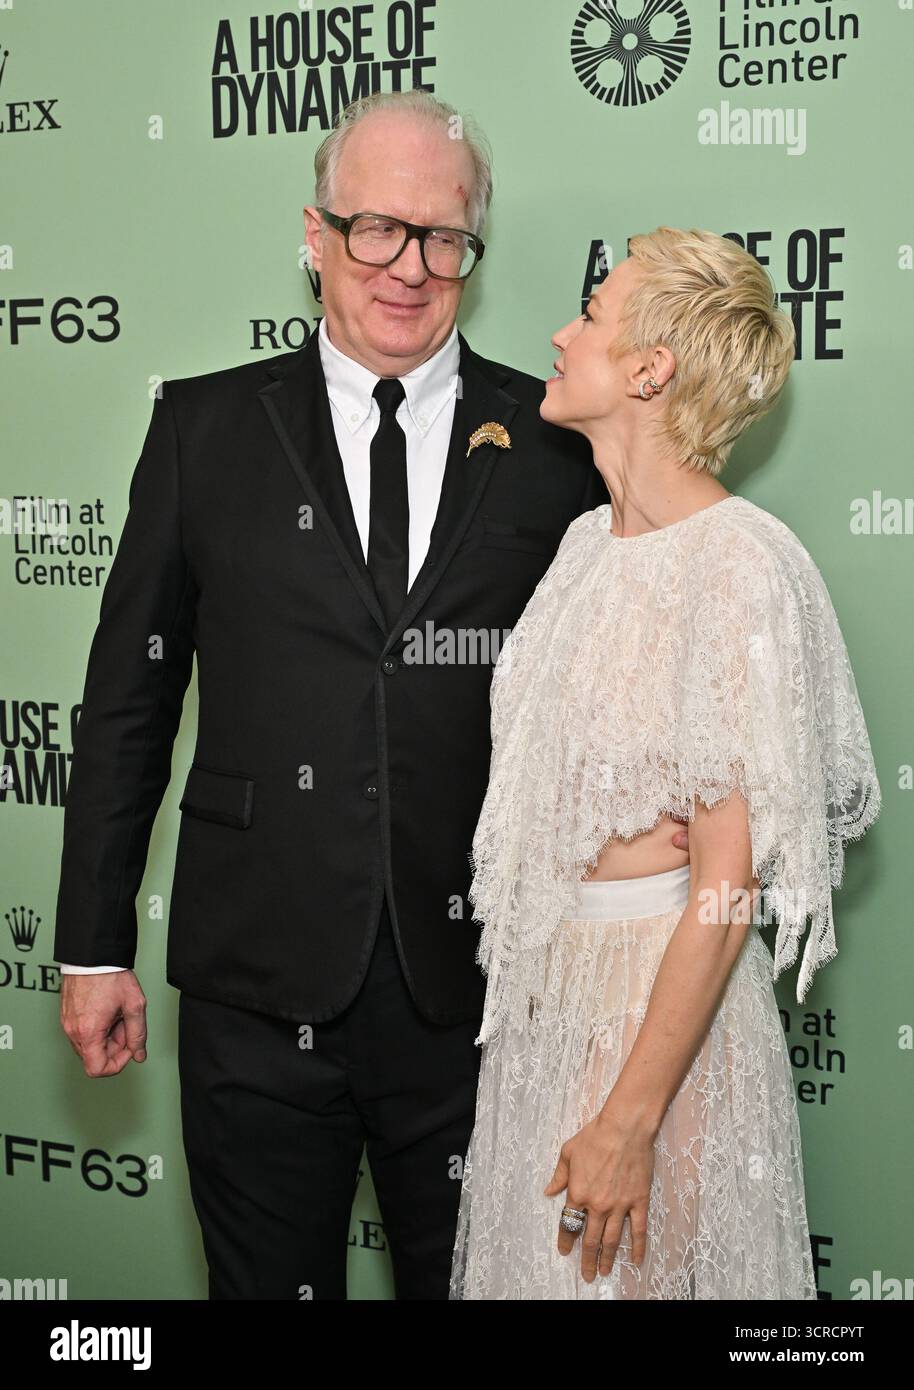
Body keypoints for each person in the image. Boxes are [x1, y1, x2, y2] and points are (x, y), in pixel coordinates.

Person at [52, 90, 694, 1300]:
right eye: (375, 230)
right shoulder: (202, 430)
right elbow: (128, 701)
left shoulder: (558, 442)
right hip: (254, 981)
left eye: (442, 237)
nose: (409, 267)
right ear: (314, 233)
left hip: (484, 996)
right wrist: (91, 945)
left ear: (473, 249)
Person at [449, 227, 882, 1300]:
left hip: (656, 1038)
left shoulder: (737, 565)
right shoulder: (582, 549)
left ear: (650, 368)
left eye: (590, 317)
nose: (558, 332)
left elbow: (726, 880)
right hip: (544, 1025)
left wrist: (629, 1117)